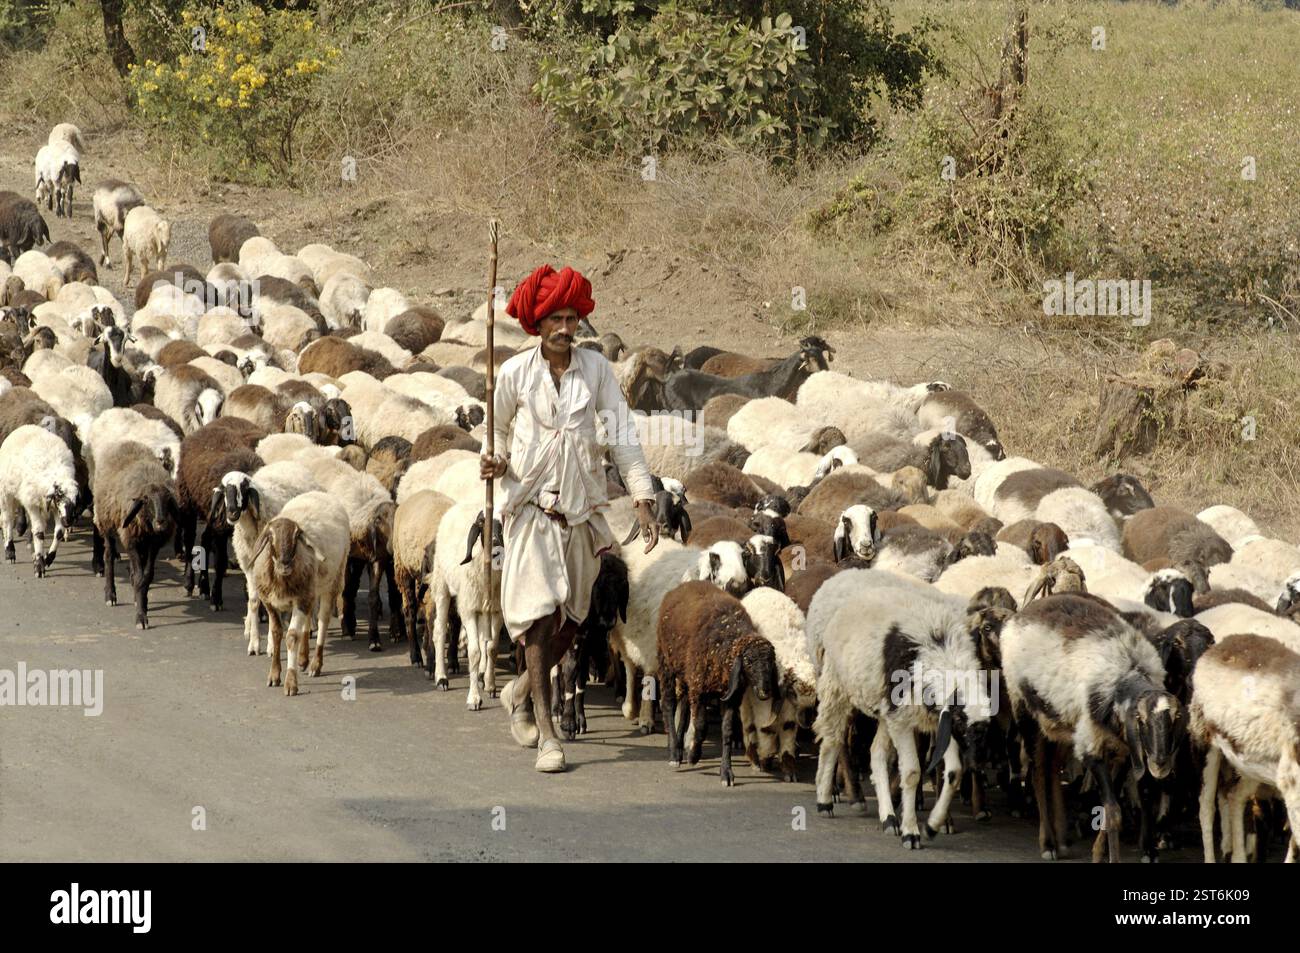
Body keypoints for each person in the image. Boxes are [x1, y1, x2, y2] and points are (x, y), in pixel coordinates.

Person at [480, 263, 659, 772]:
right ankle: (547, 730)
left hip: (581, 509)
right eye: (554, 319)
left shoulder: (598, 371)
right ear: (536, 325)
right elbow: (494, 431)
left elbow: (623, 436)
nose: (563, 328)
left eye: (570, 318)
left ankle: (518, 690)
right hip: (533, 505)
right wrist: (493, 458)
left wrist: (642, 495)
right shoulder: (515, 373)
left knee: (571, 619)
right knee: (537, 616)